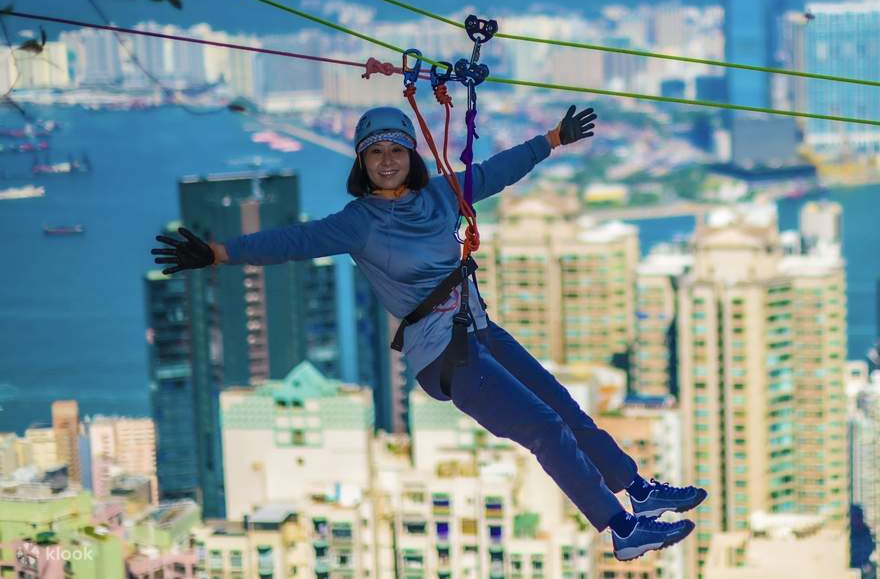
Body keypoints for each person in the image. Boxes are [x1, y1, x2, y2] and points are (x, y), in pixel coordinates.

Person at [151, 105, 703, 561]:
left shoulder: (440, 194)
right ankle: (620, 529)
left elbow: (495, 172)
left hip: (481, 330)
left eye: (395, 150)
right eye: (375, 153)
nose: (387, 161)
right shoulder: (358, 221)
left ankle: (638, 491)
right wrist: (220, 253)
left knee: (565, 408)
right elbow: (294, 240)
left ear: (410, 155)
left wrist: (552, 139)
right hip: (442, 356)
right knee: (545, 428)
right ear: (362, 163)